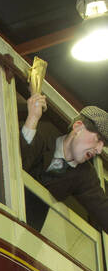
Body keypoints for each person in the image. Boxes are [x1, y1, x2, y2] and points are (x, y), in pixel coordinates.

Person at [21, 96, 108, 231]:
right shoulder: (42, 137)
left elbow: (103, 211)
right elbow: (16, 164)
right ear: (78, 127)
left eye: (103, 146)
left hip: (25, 234)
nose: (98, 150)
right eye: (98, 139)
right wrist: (32, 119)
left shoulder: (85, 175)